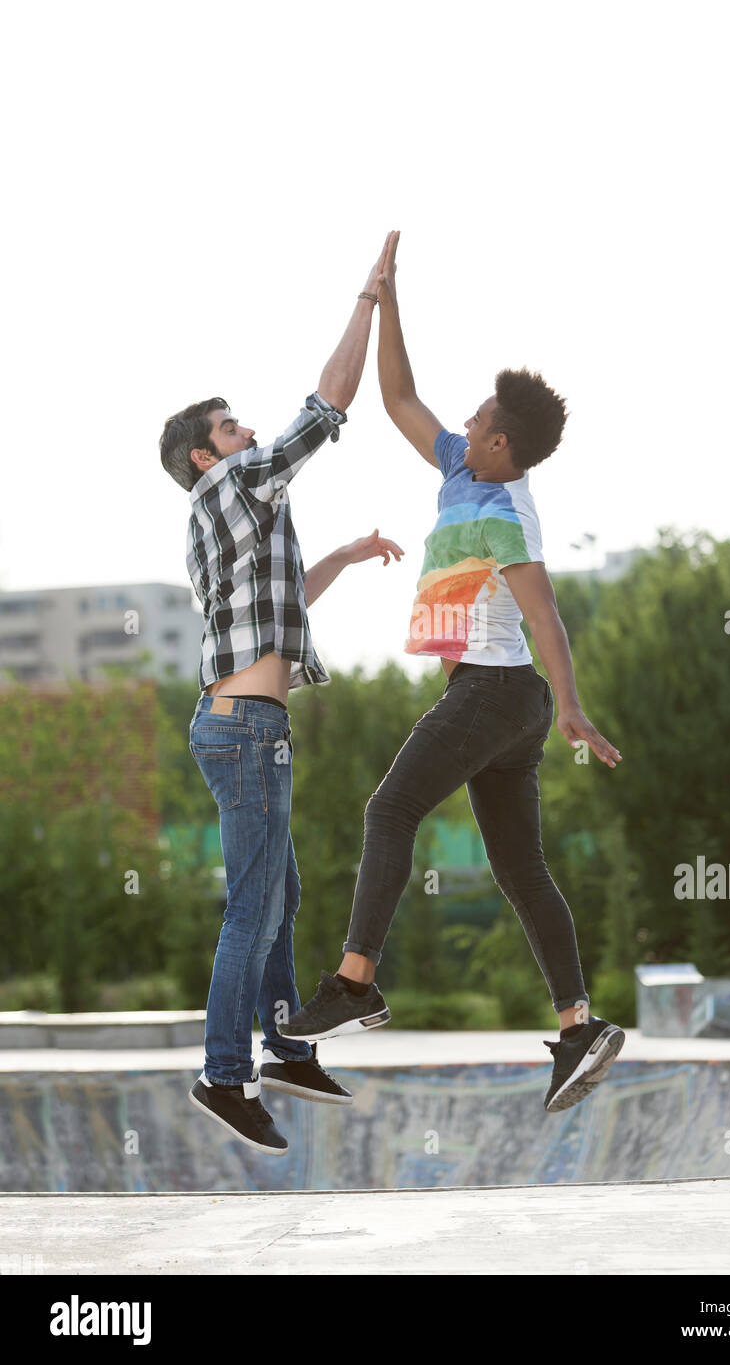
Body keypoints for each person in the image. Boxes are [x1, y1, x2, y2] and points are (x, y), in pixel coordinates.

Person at [279, 231, 625, 1113]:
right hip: (505, 707)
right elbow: (398, 394)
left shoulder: (506, 507)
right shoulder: (460, 464)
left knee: (388, 809)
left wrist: (576, 707)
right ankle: (580, 1025)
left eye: (475, 424)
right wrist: (387, 300)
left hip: (495, 692)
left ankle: (355, 986)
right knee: (521, 870)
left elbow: (543, 612)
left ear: (502, 444)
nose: (461, 428)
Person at [158, 235, 403, 1154]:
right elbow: (326, 406)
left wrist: (337, 555)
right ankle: (226, 1074)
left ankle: (285, 1046)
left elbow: (277, 613)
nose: (249, 432)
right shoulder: (233, 484)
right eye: (231, 426)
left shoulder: (227, 512)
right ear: (200, 455)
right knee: (253, 909)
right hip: (246, 732)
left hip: (239, 724)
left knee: (281, 897)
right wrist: (367, 301)